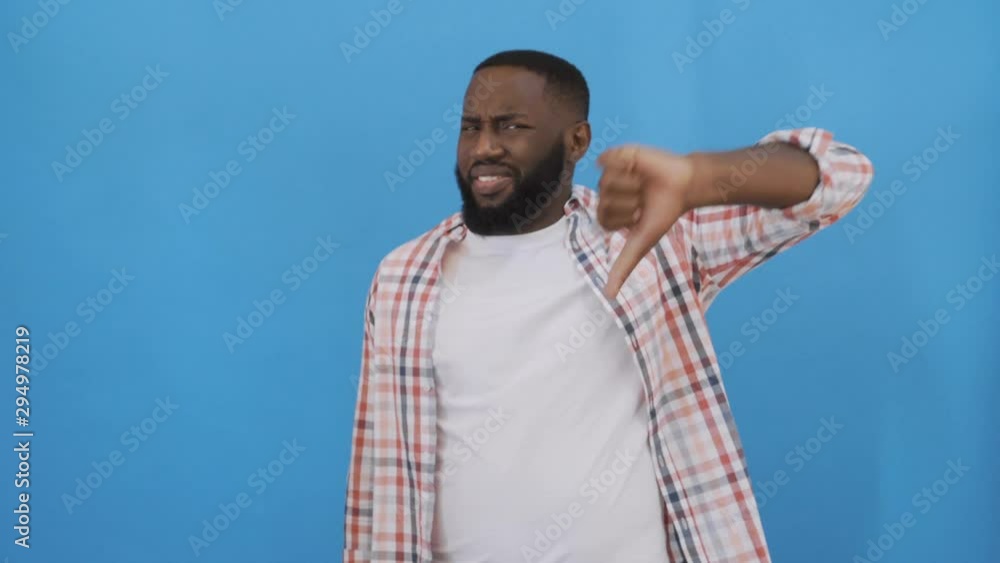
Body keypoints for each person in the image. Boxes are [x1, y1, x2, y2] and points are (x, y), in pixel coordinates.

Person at [343, 49, 873, 563]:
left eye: (511, 126)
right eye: (470, 127)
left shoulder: (650, 238)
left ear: (577, 141)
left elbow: (842, 177)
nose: (484, 147)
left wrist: (696, 179)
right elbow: (377, 476)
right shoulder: (403, 278)